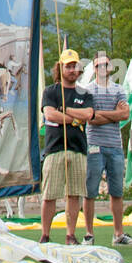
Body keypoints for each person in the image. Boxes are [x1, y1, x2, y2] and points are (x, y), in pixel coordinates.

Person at [83, 51, 132, 248]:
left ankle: (118, 233)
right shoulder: (88, 90)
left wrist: (102, 114)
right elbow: (90, 117)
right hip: (94, 144)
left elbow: (124, 114)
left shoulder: (118, 89)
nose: (103, 68)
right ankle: (89, 233)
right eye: (98, 65)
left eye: (106, 64)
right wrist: (112, 114)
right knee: (90, 191)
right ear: (94, 67)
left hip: (115, 144)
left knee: (117, 191)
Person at [40, 49, 94, 245]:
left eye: (74, 66)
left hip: (78, 149)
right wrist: (73, 118)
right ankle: (45, 234)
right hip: (55, 149)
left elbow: (88, 114)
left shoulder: (84, 93)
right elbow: (50, 114)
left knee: (74, 195)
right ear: (60, 68)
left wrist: (65, 111)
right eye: (68, 66)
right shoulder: (51, 91)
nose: (72, 70)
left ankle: (70, 234)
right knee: (50, 194)